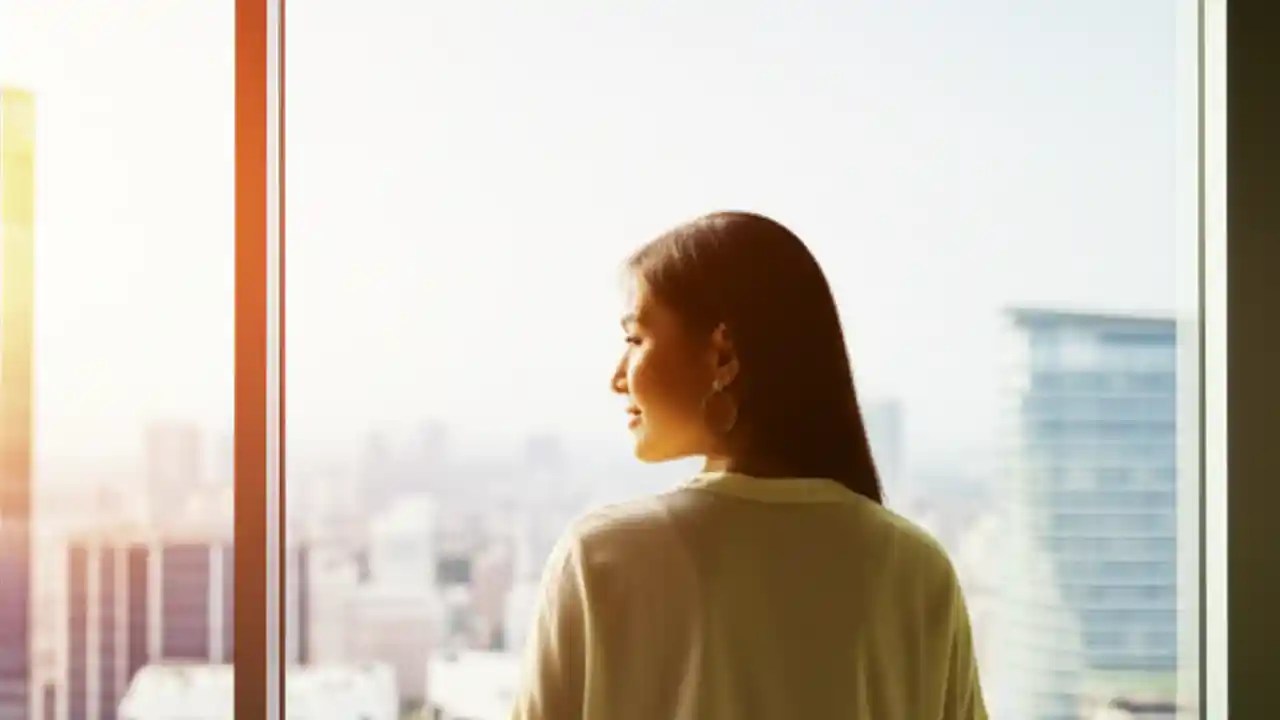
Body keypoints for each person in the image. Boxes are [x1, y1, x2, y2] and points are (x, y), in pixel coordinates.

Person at [510, 211, 986, 719]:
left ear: (722, 356)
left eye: (635, 340)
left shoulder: (601, 561)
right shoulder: (916, 570)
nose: (617, 377)